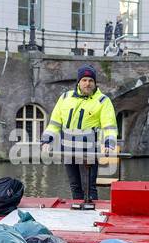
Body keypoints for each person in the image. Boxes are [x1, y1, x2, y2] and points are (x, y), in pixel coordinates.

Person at [40, 65, 118, 209]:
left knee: (89, 187)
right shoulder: (65, 98)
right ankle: (77, 211)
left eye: (90, 80)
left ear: (95, 83)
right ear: (78, 82)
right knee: (75, 186)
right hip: (68, 150)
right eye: (84, 80)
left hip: (88, 151)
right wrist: (46, 141)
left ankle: (92, 213)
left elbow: (109, 127)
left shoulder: (102, 101)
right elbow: (54, 124)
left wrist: (109, 145)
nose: (87, 83)